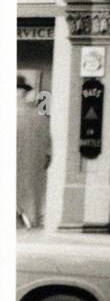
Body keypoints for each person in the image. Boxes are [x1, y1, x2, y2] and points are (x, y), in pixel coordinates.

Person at [17, 75, 51, 228]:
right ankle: (29, 221)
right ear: (25, 92)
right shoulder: (40, 117)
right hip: (32, 170)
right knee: (31, 199)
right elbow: (48, 151)